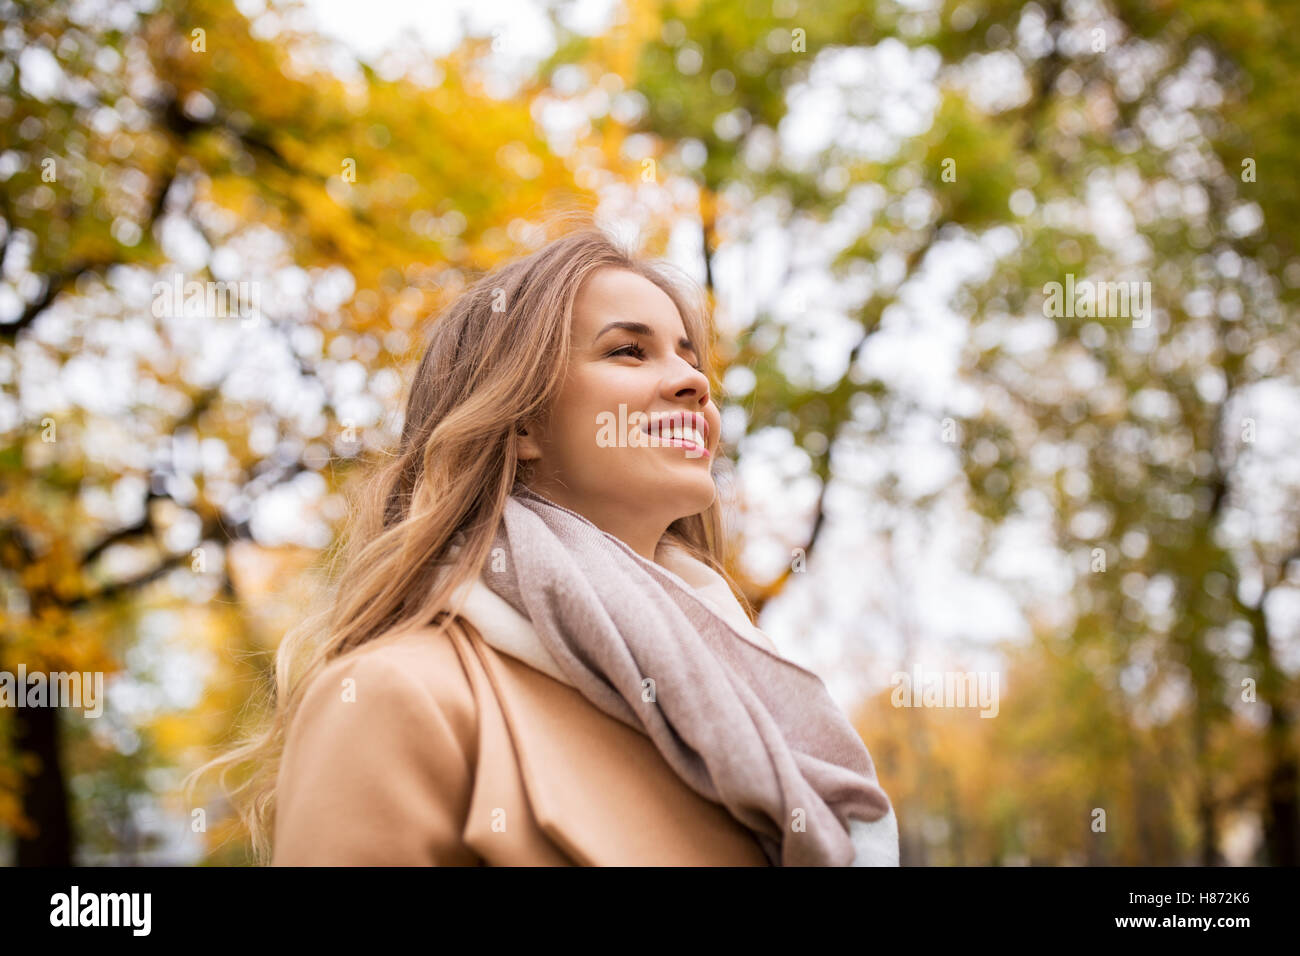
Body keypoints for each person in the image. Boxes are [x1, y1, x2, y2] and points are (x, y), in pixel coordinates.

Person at [190, 221, 899, 866]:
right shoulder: (397, 697)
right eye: (629, 350)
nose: (693, 382)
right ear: (522, 425)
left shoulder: (748, 699)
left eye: (689, 356)